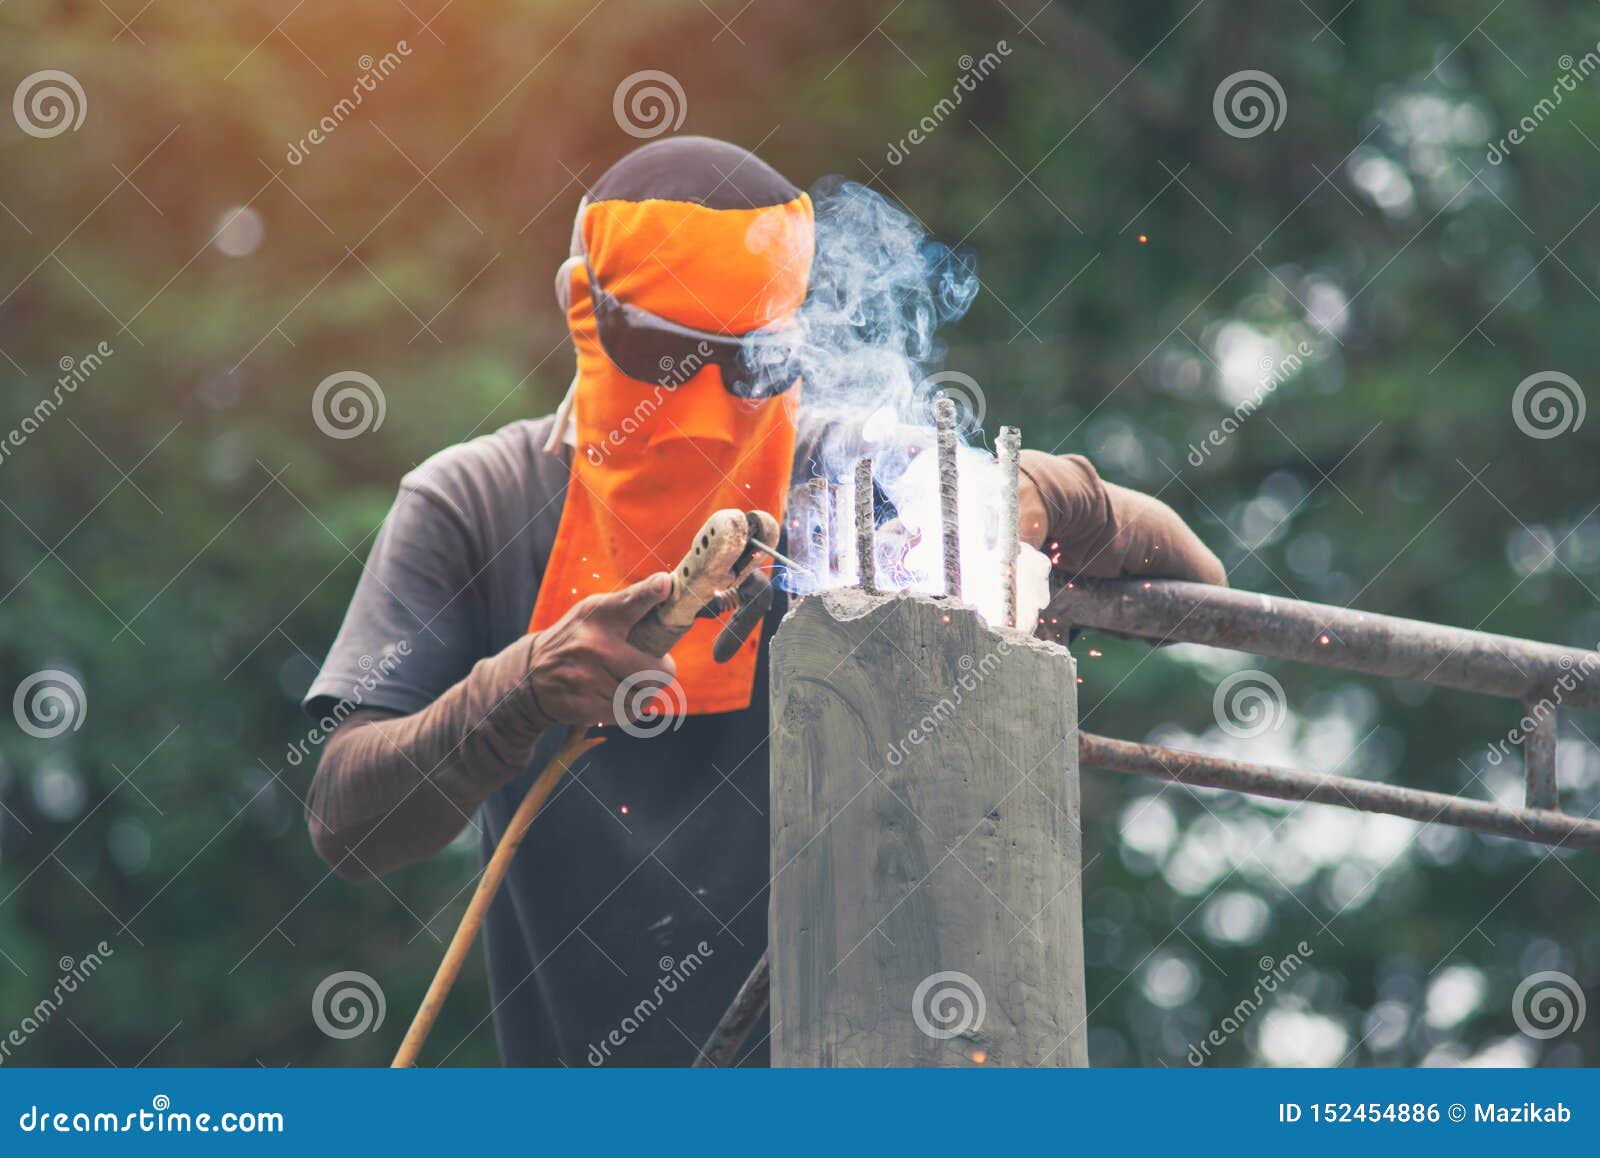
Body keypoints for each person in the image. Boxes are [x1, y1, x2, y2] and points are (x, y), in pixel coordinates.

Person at [302, 135, 1226, 1066]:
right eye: (668, 356)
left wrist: (1051, 496)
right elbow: (344, 820)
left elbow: (1200, 590)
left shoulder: (852, 485)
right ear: (582, 309)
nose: (708, 408)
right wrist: (518, 692)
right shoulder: (475, 505)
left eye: (750, 365)